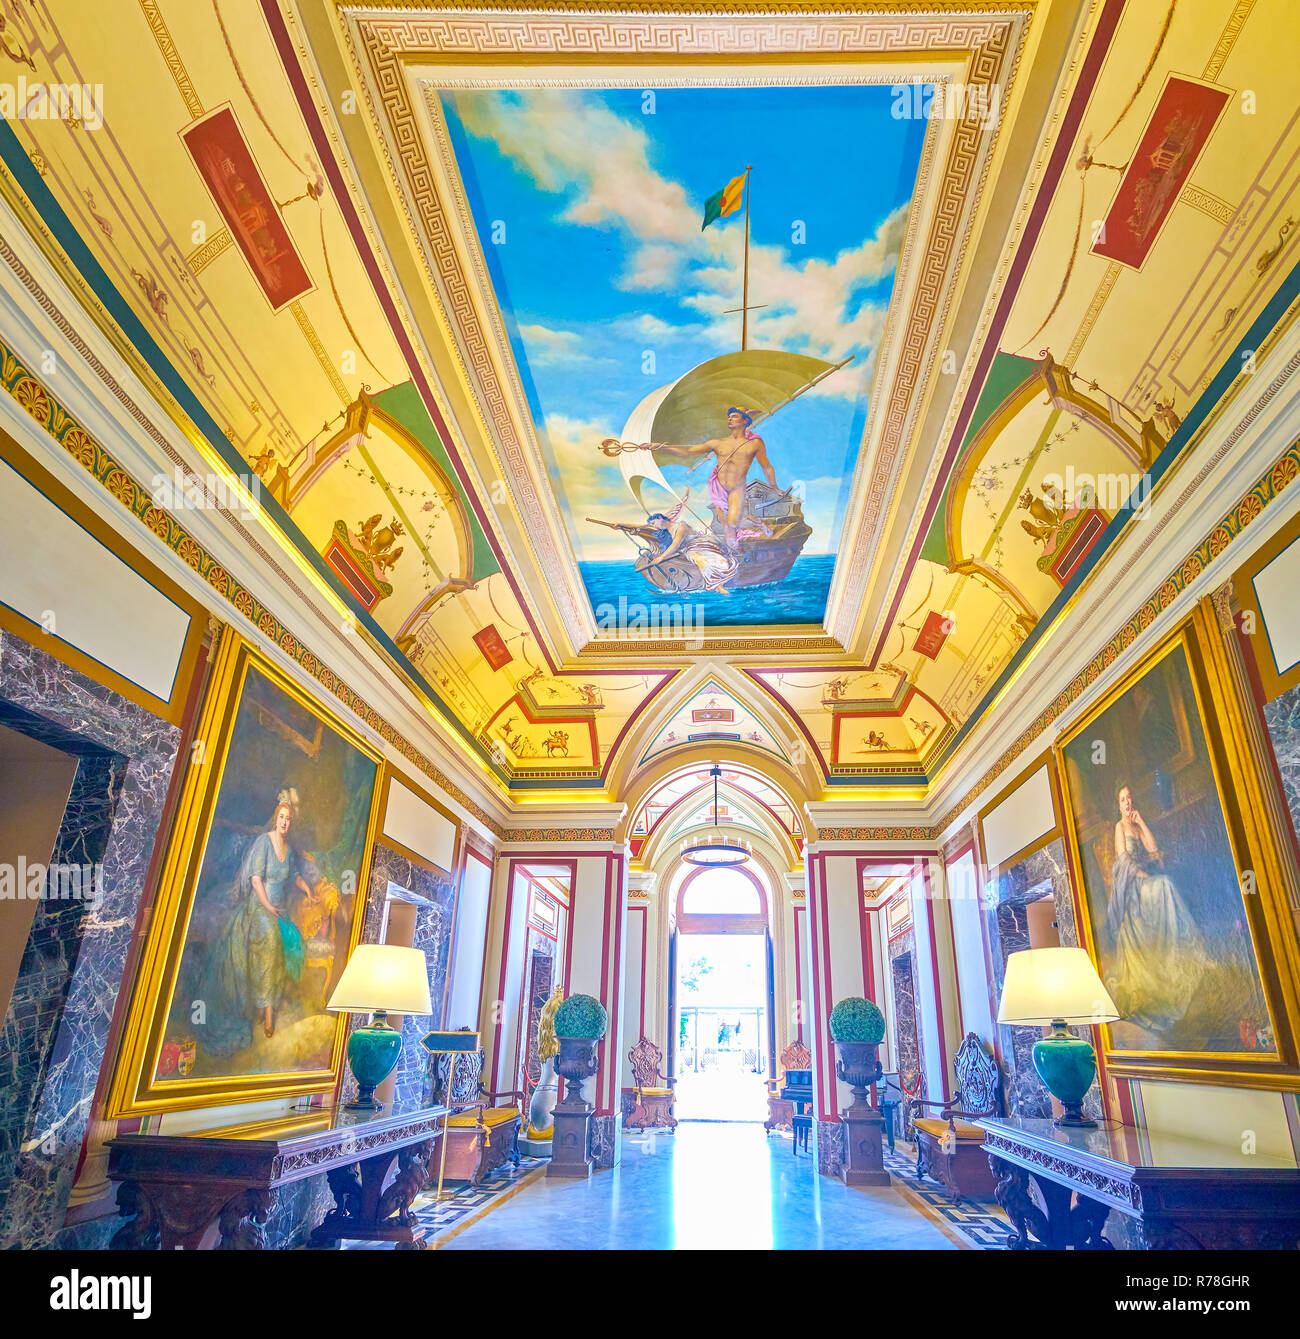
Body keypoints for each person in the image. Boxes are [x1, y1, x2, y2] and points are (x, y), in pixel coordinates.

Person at [200, 792, 317, 1057]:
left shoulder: (287, 850)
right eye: (282, 817)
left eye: (289, 819)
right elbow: (255, 880)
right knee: (271, 947)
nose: (285, 822)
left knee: (292, 943)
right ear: (275, 819)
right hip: (259, 905)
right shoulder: (264, 842)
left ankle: (269, 1004)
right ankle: (267, 1014)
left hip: (277, 908)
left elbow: (295, 875)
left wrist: (307, 890)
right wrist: (267, 907)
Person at [1103, 785, 1210, 1036]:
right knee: (1164, 883)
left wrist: (1141, 822)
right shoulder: (1119, 827)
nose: (1127, 803)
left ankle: (1178, 945)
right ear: (1118, 805)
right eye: (1122, 800)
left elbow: (1152, 850)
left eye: (1129, 798)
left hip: (1146, 878)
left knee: (1165, 883)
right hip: (1131, 885)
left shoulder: (1136, 825)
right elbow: (1124, 860)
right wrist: (1143, 876)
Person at [655, 407, 777, 553]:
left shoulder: (755, 443)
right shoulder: (718, 443)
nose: (729, 419)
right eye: (729, 416)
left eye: (734, 416)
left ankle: (758, 523)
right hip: (718, 486)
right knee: (727, 527)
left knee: (733, 522)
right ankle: (737, 556)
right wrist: (662, 447)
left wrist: (774, 487)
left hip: (737, 487)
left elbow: (767, 467)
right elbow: (688, 450)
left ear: (745, 420)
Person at [614, 499, 738, 594]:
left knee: (704, 559)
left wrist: (661, 558)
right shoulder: (665, 530)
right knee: (695, 557)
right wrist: (620, 525)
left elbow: (675, 544)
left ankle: (718, 584)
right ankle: (715, 584)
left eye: (654, 522)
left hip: (700, 544)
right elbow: (641, 527)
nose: (654, 526)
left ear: (660, 517)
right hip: (689, 548)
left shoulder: (681, 526)